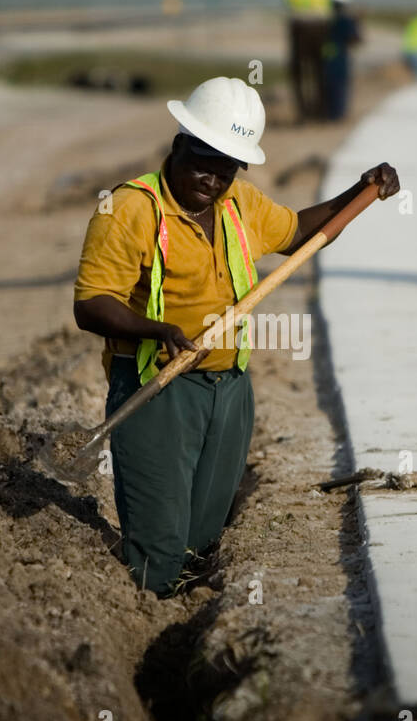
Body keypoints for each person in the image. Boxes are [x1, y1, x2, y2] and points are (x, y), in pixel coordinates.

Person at [72, 77, 400, 597]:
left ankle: (183, 610)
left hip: (229, 390)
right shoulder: (130, 210)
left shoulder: (239, 204)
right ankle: (145, 618)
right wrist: (158, 330)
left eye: (228, 167)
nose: (213, 178)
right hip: (156, 388)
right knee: (158, 552)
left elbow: (300, 232)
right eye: (204, 160)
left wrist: (360, 192)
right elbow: (90, 305)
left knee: (201, 541)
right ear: (179, 141)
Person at [284, 0, 332, 122]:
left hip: (299, 22)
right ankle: (321, 113)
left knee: (298, 71)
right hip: (321, 23)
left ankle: (303, 114)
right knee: (319, 69)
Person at [322, 0, 361, 121]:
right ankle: (337, 115)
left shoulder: (324, 18)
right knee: (339, 86)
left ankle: (330, 114)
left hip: (326, 57)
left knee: (328, 85)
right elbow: (355, 39)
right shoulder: (346, 20)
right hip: (340, 59)